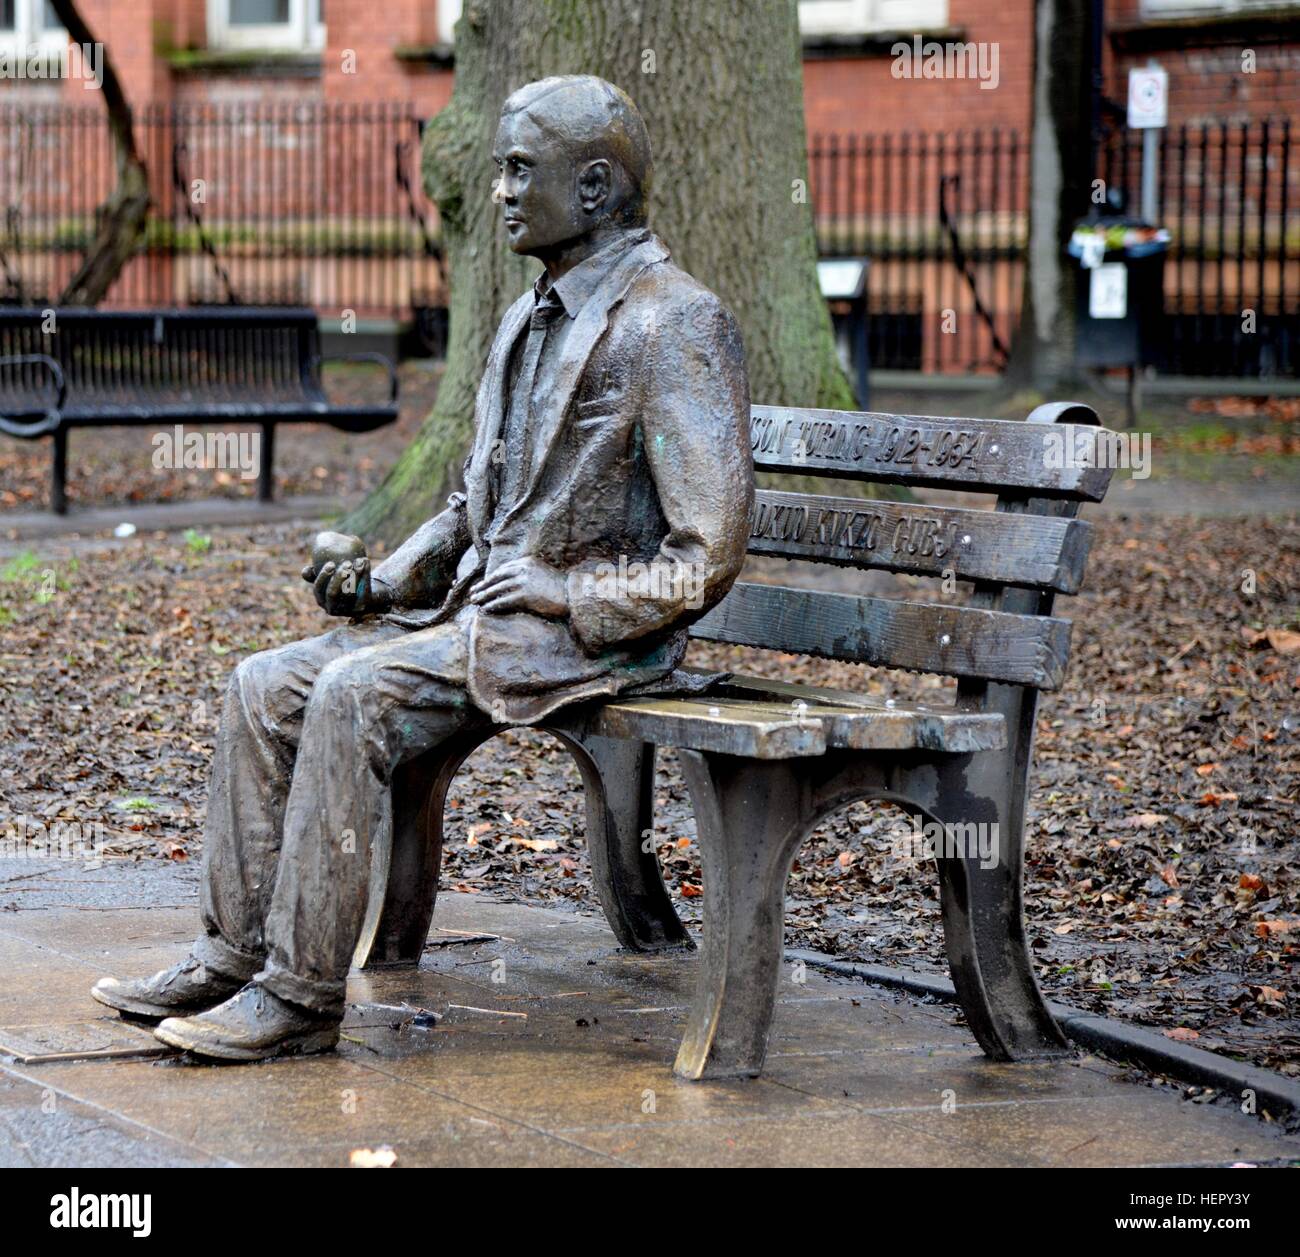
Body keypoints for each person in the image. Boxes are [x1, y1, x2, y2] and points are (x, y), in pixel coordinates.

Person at [91, 75, 753, 1061]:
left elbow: (707, 553)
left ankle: (301, 996)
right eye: (499, 171)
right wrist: (390, 576)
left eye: (521, 171)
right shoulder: (532, 314)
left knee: (353, 693)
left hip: (592, 645)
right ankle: (232, 953)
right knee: (263, 681)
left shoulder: (673, 322)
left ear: (600, 187)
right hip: (483, 623)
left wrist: (569, 594)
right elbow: (475, 499)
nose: (501, 193)